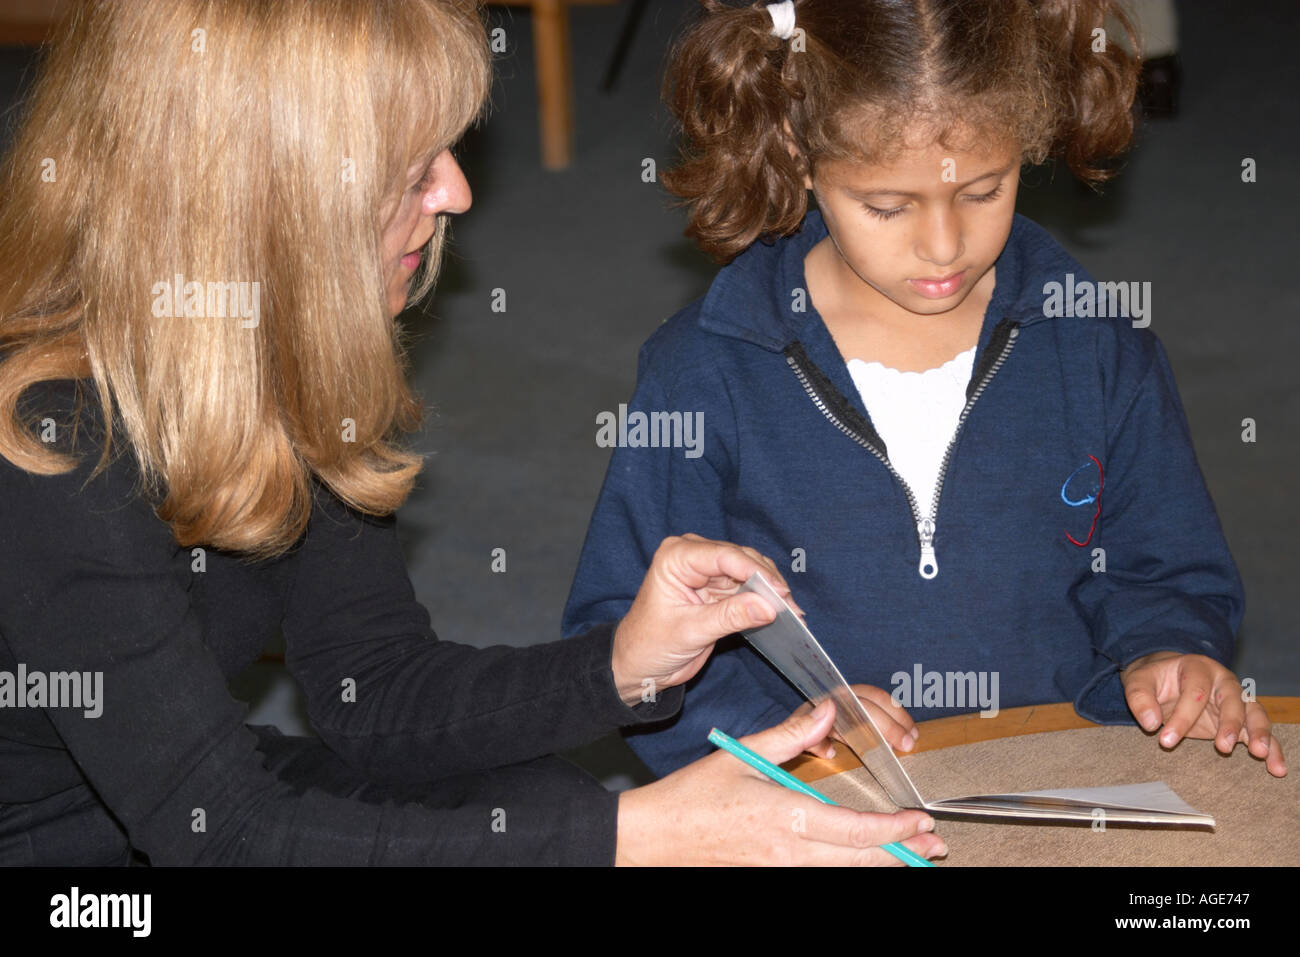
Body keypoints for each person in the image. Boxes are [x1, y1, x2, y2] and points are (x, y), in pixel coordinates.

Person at [0, 0, 947, 866]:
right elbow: (222, 832)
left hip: (174, 797)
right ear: (265, 203)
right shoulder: (47, 448)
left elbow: (370, 689)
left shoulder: (284, 344)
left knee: (534, 802)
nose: (455, 192)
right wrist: (636, 836)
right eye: (414, 171)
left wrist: (621, 664)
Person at [562, 0, 1287, 780]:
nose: (944, 245)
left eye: (983, 191)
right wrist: (782, 726)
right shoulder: (703, 372)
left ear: (1028, 143)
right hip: (818, 809)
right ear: (800, 157)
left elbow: (1167, 568)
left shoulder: (1101, 344)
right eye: (887, 205)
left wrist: (1170, 651)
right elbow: (624, 636)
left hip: (1062, 781)